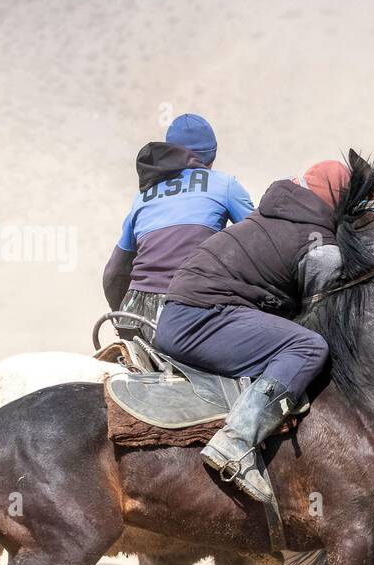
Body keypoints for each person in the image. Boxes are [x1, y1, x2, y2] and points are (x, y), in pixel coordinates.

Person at [155, 160, 351, 502]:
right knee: (309, 348)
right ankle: (237, 443)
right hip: (202, 322)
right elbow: (319, 318)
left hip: (178, 317)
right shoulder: (321, 249)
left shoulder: (269, 216)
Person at [103, 113, 255, 341]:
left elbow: (113, 274)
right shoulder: (226, 185)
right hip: (187, 310)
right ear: (212, 155)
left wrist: (123, 316)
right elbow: (262, 243)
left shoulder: (144, 196)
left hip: (134, 316)